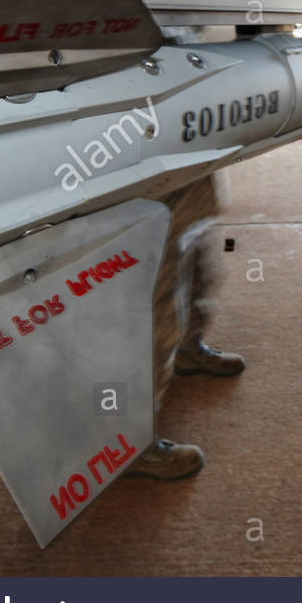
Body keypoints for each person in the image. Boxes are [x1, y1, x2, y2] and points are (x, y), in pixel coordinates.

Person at [125, 174, 247, 481]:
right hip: (145, 179)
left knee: (193, 261)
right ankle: (127, 443)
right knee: (152, 303)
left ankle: (187, 349)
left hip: (185, 174)